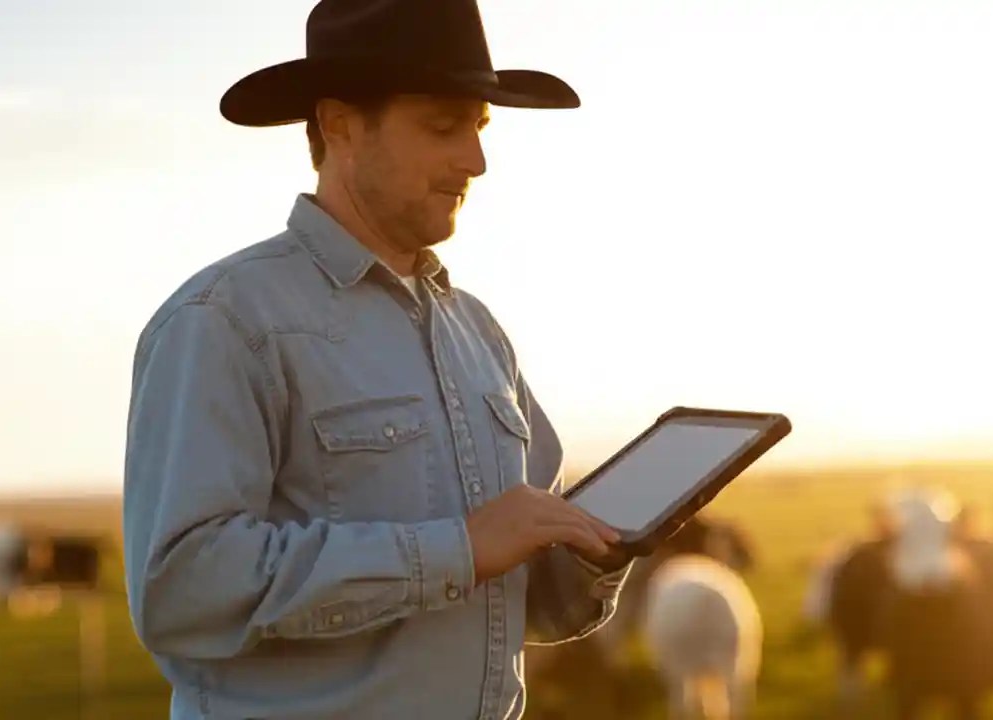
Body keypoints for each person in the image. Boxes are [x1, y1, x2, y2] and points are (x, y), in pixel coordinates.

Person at [120, 1, 634, 718]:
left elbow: (523, 607)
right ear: (341, 124)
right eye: (443, 126)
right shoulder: (226, 321)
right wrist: (456, 550)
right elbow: (182, 591)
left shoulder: (479, 333)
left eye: (481, 129)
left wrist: (592, 556)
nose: (476, 161)